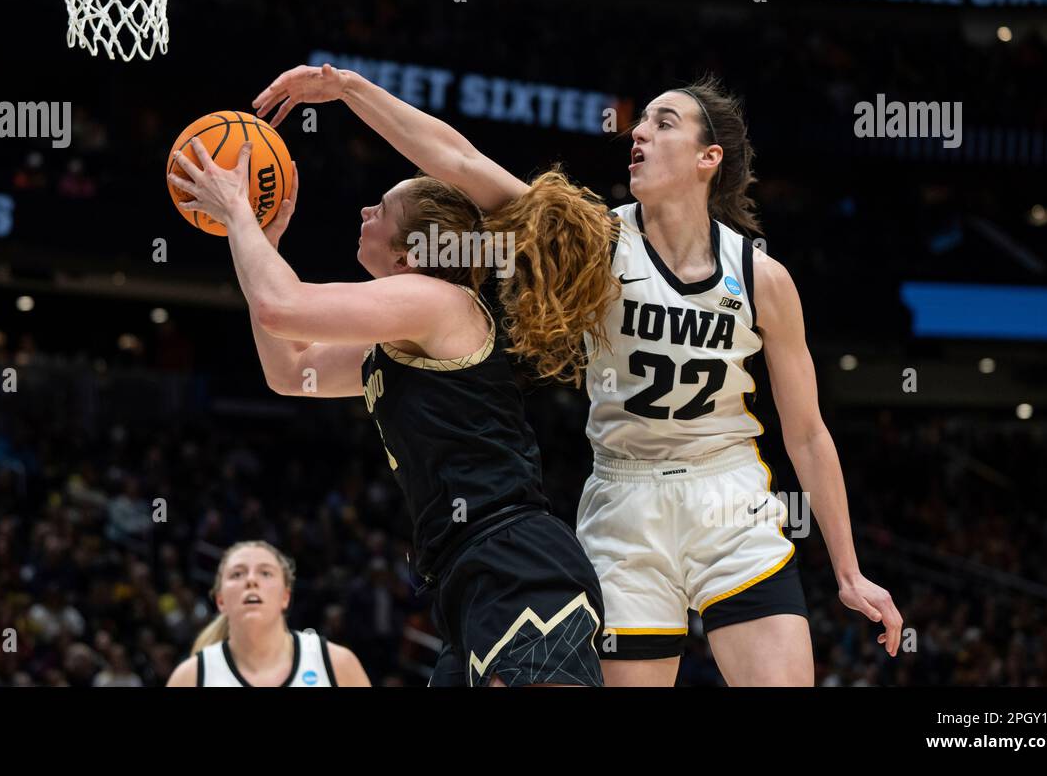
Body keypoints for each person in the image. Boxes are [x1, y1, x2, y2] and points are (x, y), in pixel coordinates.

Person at [251, 64, 903, 687]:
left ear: (710, 159)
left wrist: (849, 570)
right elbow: (460, 163)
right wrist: (349, 88)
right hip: (624, 502)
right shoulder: (594, 240)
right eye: (640, 122)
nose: (640, 132)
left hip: (728, 493)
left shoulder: (764, 278)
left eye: (665, 122)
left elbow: (809, 434)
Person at [167, 135, 608, 687]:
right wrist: (265, 241)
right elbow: (289, 373)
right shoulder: (403, 337)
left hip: (518, 565)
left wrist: (238, 209)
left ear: (410, 253)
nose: (365, 210)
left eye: (383, 207)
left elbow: (282, 308)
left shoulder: (440, 302)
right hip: (465, 576)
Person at [167, 540, 370, 687]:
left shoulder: (336, 664)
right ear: (221, 601)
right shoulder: (190, 677)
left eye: (265, 573)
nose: (251, 581)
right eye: (237, 574)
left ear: (285, 597)